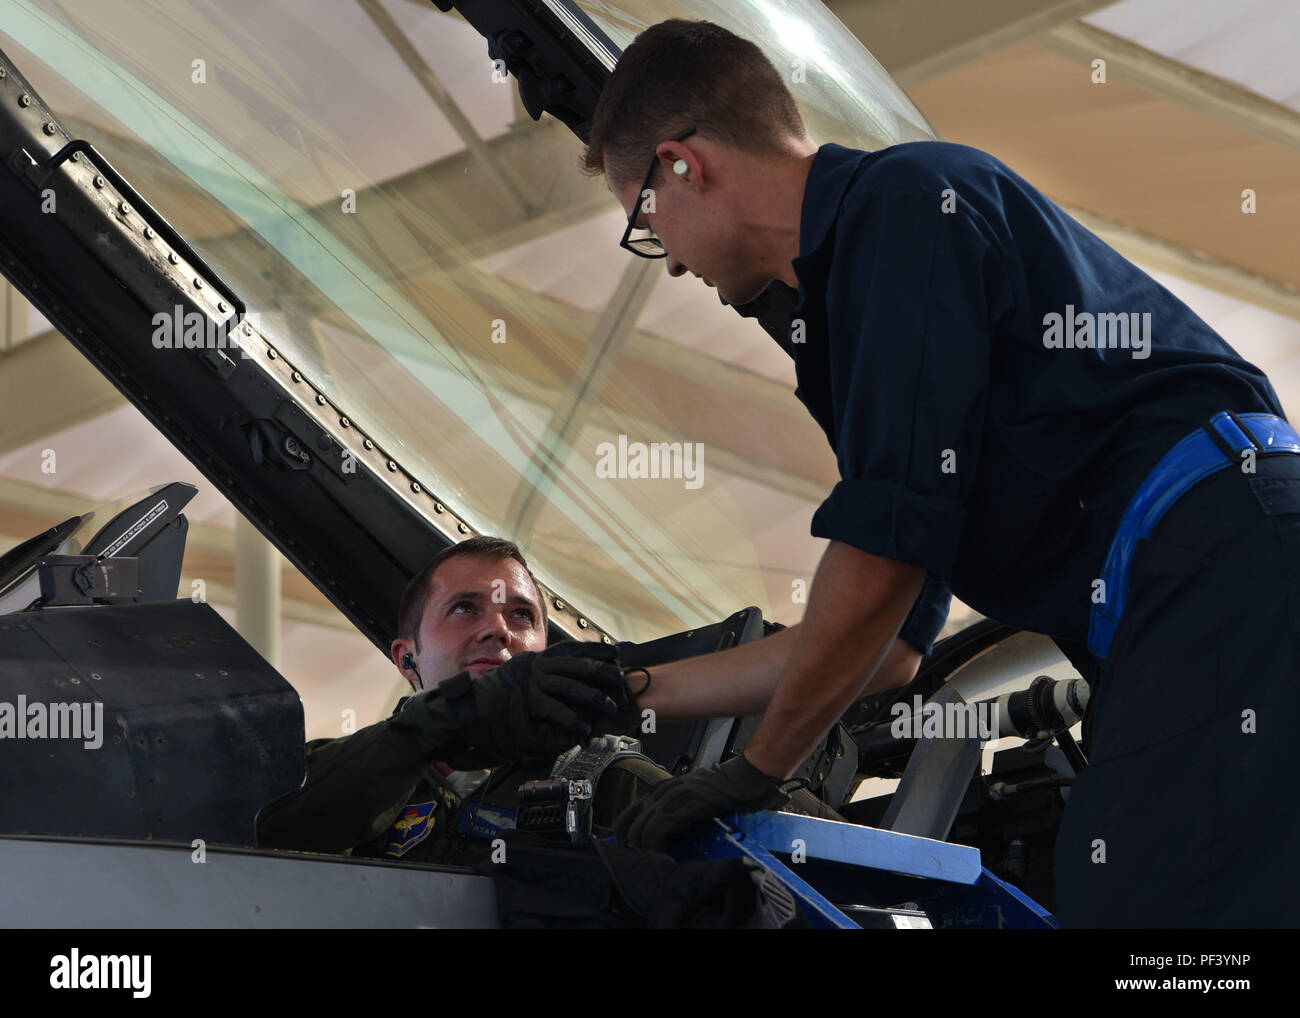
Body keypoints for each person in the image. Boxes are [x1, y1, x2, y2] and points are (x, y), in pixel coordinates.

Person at [579, 19, 1300, 929]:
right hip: (1209, 583)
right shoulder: (852, 306)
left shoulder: (909, 207)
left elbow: (877, 566)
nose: (670, 260)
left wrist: (756, 770)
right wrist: (632, 691)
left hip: (1222, 563)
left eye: (645, 221)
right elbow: (888, 647)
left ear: (683, 165)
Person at [256, 536, 658, 866]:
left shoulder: (616, 785)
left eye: (521, 615)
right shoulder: (324, 771)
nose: (499, 630)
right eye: (465, 608)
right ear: (406, 657)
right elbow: (262, 843)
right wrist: (432, 727)